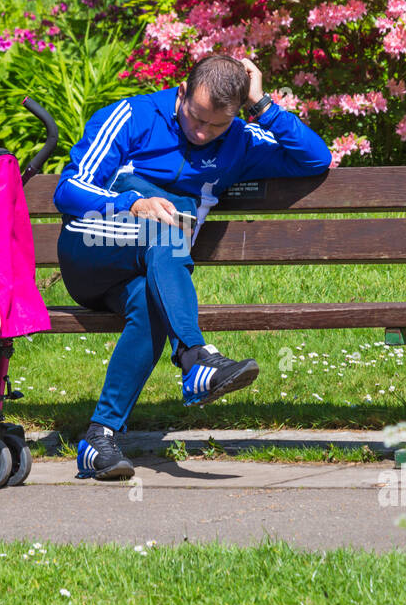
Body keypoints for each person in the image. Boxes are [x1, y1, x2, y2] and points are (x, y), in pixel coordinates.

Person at [54, 54, 333, 480]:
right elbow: (68, 191)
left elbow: (314, 158)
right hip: (92, 247)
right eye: (195, 117)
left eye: (216, 124)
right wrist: (131, 203)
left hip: (149, 269)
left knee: (152, 306)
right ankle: (194, 357)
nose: (202, 132)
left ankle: (99, 438)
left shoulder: (239, 140)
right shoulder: (133, 116)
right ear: (181, 92)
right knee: (169, 226)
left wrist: (262, 104)